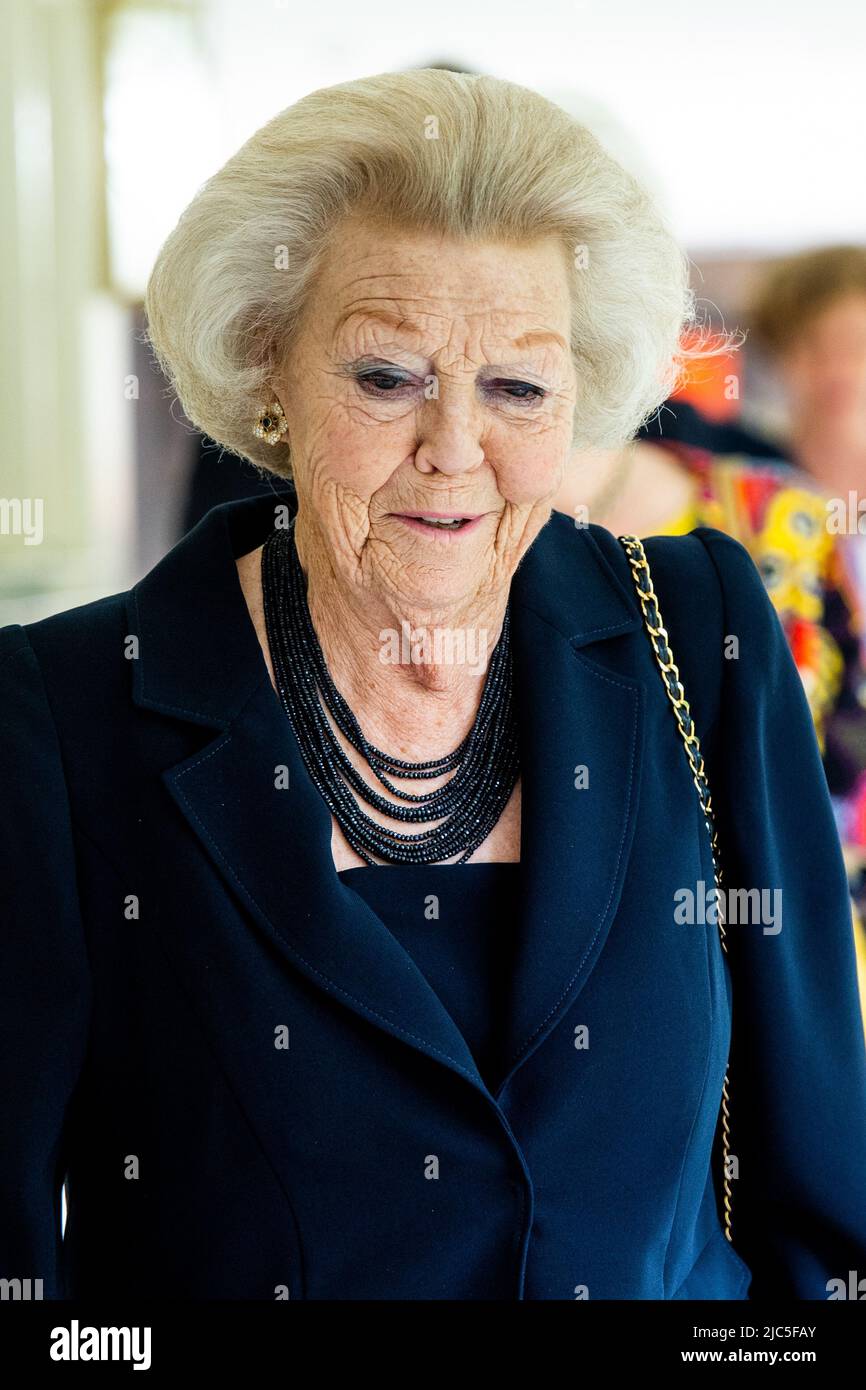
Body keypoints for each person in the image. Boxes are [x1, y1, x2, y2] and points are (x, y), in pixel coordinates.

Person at [2, 68, 866, 1302]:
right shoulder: (64, 713)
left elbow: (817, 1208)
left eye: (517, 387)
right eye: (384, 377)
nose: (453, 448)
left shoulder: (699, 630)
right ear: (268, 366)